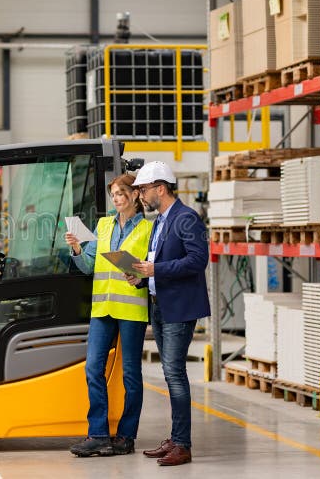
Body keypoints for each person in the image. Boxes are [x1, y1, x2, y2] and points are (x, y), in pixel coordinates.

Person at [127, 161, 209, 467]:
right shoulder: (161, 221)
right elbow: (158, 261)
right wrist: (143, 277)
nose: (141, 196)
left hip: (179, 307)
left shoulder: (186, 218)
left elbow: (197, 261)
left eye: (144, 190)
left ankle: (183, 445)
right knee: (169, 373)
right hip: (160, 305)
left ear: (160, 188)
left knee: (175, 374)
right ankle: (175, 438)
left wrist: (155, 270)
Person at [64, 173, 153, 458]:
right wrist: (77, 248)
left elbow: (153, 265)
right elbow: (89, 266)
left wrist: (139, 273)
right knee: (92, 368)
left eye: (121, 193)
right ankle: (99, 434)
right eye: (113, 194)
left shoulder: (149, 228)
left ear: (135, 195)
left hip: (131, 309)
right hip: (102, 309)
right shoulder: (102, 225)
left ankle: (126, 436)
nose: (116, 199)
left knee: (131, 376)